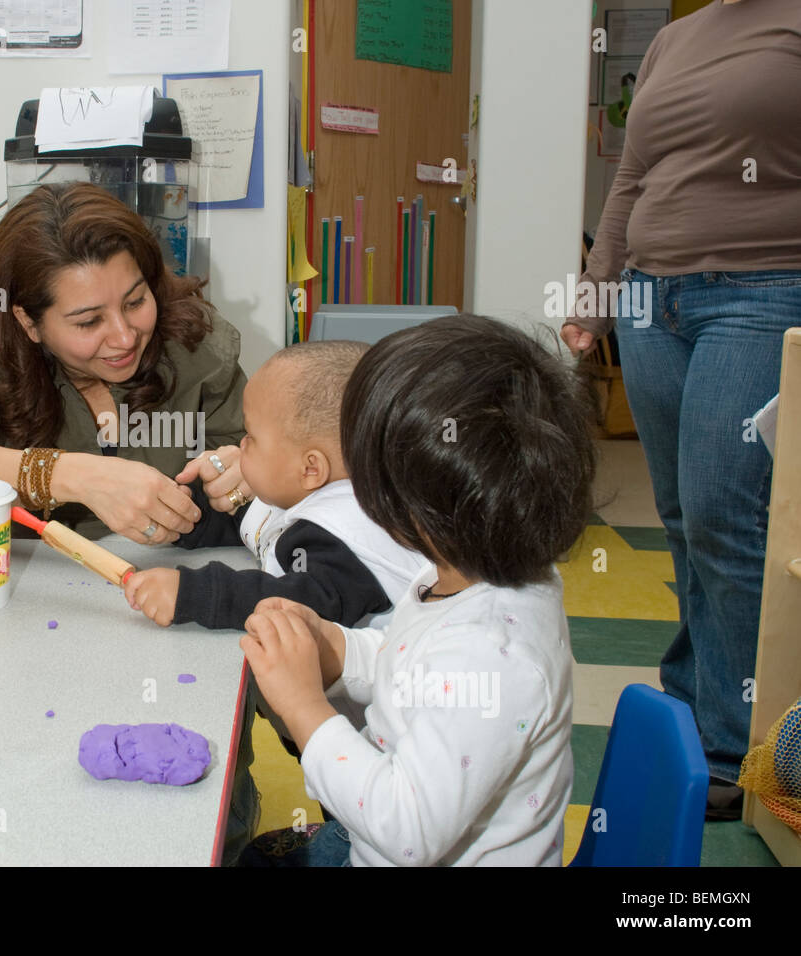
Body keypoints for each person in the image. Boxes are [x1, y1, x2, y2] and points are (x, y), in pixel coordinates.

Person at [560, 0, 801, 820]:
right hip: (650, 301)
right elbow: (632, 176)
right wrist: (595, 295)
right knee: (682, 519)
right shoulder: (676, 36)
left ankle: (741, 748)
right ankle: (693, 704)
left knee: (723, 517)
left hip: (762, 292)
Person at [240, 315, 597, 866]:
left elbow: (408, 832)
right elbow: (415, 664)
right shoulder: (463, 571)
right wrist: (339, 649)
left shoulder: (492, 658)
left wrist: (304, 707)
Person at [0, 182, 252, 544]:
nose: (125, 337)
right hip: (37, 582)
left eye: (135, 301)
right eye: (88, 322)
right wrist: (75, 476)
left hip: (179, 579)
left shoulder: (193, 341)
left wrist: (246, 474)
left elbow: (277, 463)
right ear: (28, 322)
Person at [124, 340, 427, 631]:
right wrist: (186, 515)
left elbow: (304, 605)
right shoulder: (306, 490)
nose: (240, 444)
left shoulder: (354, 531)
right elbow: (255, 523)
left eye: (252, 436)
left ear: (311, 468)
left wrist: (193, 594)